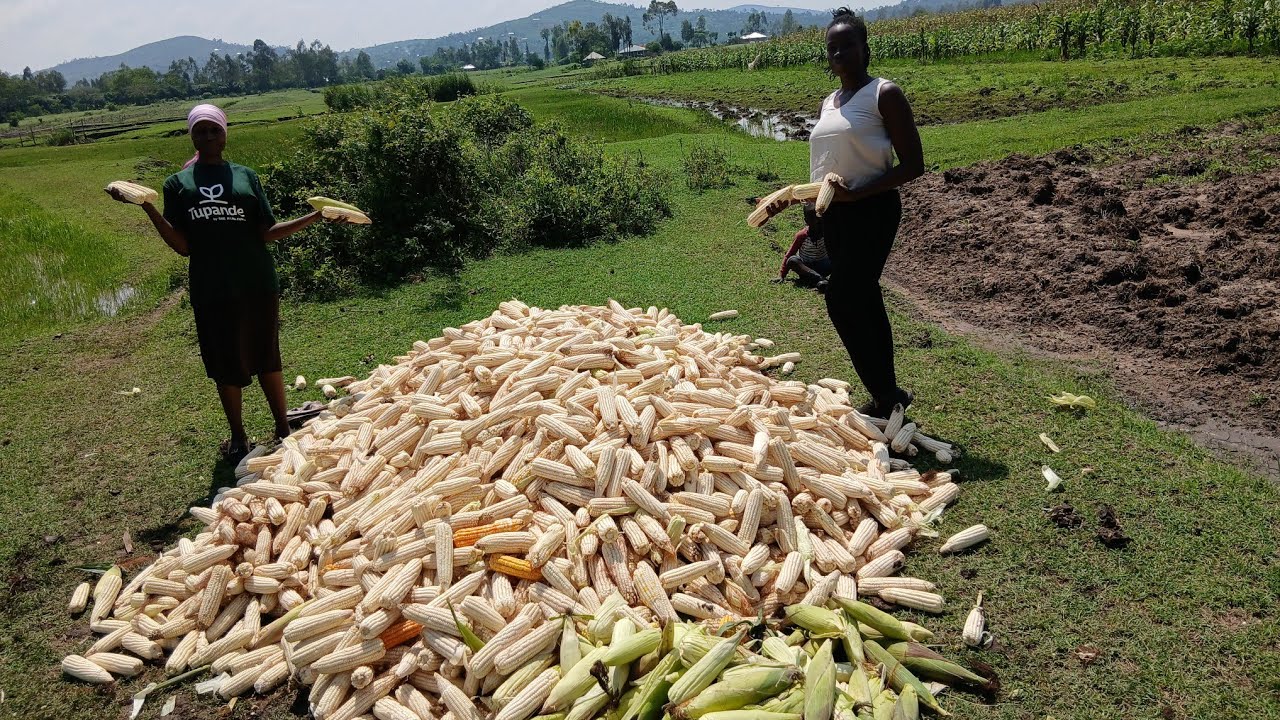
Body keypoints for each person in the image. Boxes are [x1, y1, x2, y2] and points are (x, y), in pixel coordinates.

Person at [107, 104, 348, 463]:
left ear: (225, 133)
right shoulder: (178, 184)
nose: (207, 137)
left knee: (267, 355)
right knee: (225, 363)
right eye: (200, 131)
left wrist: (316, 216)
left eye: (213, 130)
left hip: (256, 282)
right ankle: (238, 436)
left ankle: (283, 427)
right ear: (192, 136)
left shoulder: (246, 176)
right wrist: (147, 207)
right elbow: (183, 246)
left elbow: (266, 233)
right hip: (212, 287)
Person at [810, 7, 925, 418]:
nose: (838, 53)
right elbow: (826, 160)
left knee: (842, 297)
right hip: (835, 213)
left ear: (865, 49)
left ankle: (884, 392)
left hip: (872, 209)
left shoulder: (884, 94)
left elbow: (914, 164)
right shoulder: (830, 100)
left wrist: (858, 195)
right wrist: (814, 207)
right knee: (863, 296)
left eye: (846, 45)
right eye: (832, 47)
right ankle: (887, 394)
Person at [777, 205, 831, 292]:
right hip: (805, 268)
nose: (817, 221)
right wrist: (781, 275)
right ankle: (821, 279)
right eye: (813, 218)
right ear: (807, 221)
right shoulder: (802, 235)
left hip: (823, 265)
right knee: (792, 260)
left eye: (819, 217)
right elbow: (789, 254)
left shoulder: (826, 232)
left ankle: (821, 281)